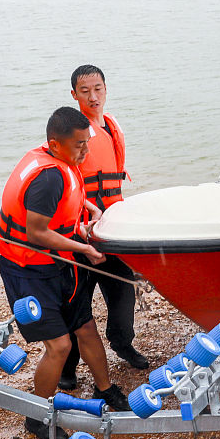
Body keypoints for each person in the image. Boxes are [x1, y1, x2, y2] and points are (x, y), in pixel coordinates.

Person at [0, 106, 131, 439]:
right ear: (55, 145)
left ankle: (105, 389)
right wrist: (84, 247)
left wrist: (89, 209)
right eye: (79, 146)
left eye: (87, 143)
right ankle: (37, 416)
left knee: (85, 327)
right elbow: (37, 231)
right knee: (58, 345)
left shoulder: (60, 163)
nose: (85, 151)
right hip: (29, 269)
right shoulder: (49, 176)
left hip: (59, 265)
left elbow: (65, 203)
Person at [58, 65, 148, 391]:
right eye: (85, 91)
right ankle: (68, 365)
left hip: (113, 226)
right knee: (76, 302)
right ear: (74, 95)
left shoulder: (111, 127)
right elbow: (63, 182)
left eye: (98, 89)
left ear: (106, 89)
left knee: (124, 289)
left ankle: (122, 343)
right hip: (79, 232)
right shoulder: (71, 134)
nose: (93, 97)